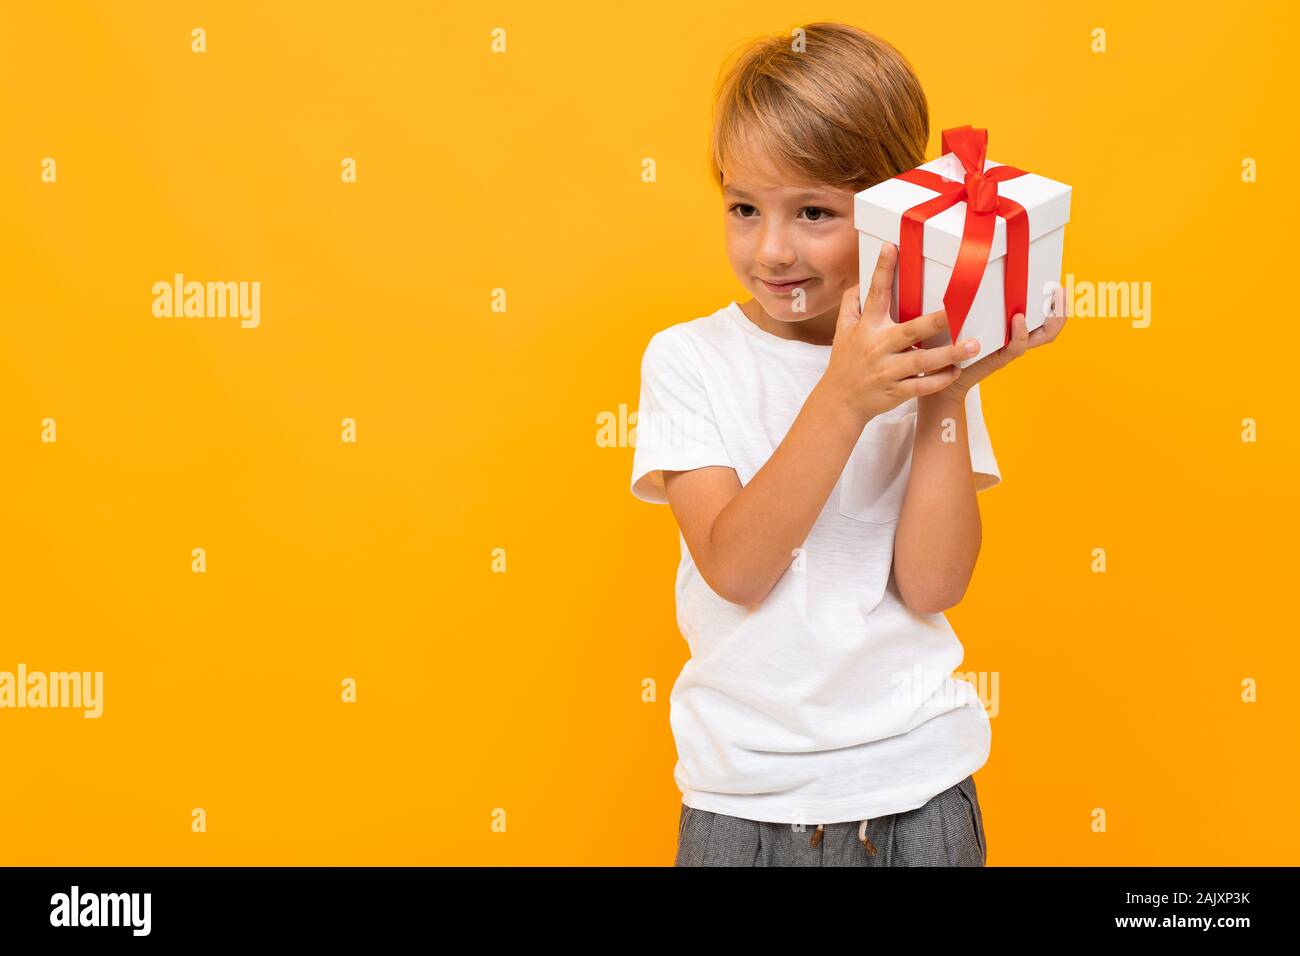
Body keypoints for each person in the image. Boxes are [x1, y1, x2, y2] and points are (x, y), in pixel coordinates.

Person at [629, 22, 1066, 866]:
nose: (773, 249)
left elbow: (934, 585)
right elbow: (735, 568)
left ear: (893, 212)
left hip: (922, 792)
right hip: (746, 807)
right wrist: (843, 397)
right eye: (744, 208)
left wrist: (951, 388)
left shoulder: (918, 356)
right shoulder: (688, 359)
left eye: (815, 212)